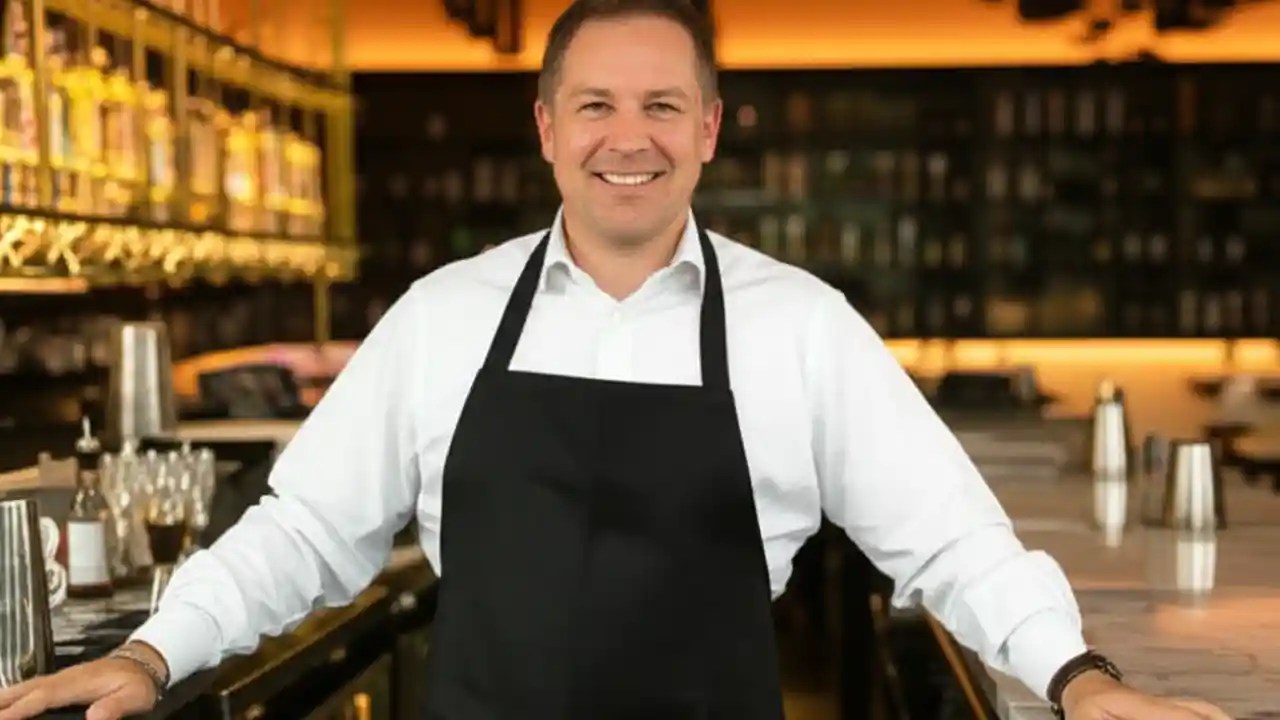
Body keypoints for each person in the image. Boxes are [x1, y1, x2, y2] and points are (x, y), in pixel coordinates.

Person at [0, 1, 1234, 719]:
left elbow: (953, 540)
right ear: (545, 128)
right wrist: (152, 649)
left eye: (659, 107)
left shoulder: (796, 323)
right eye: (593, 105)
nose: (624, 139)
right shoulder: (443, 314)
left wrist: (1079, 681)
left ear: (706, 128)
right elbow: (305, 529)